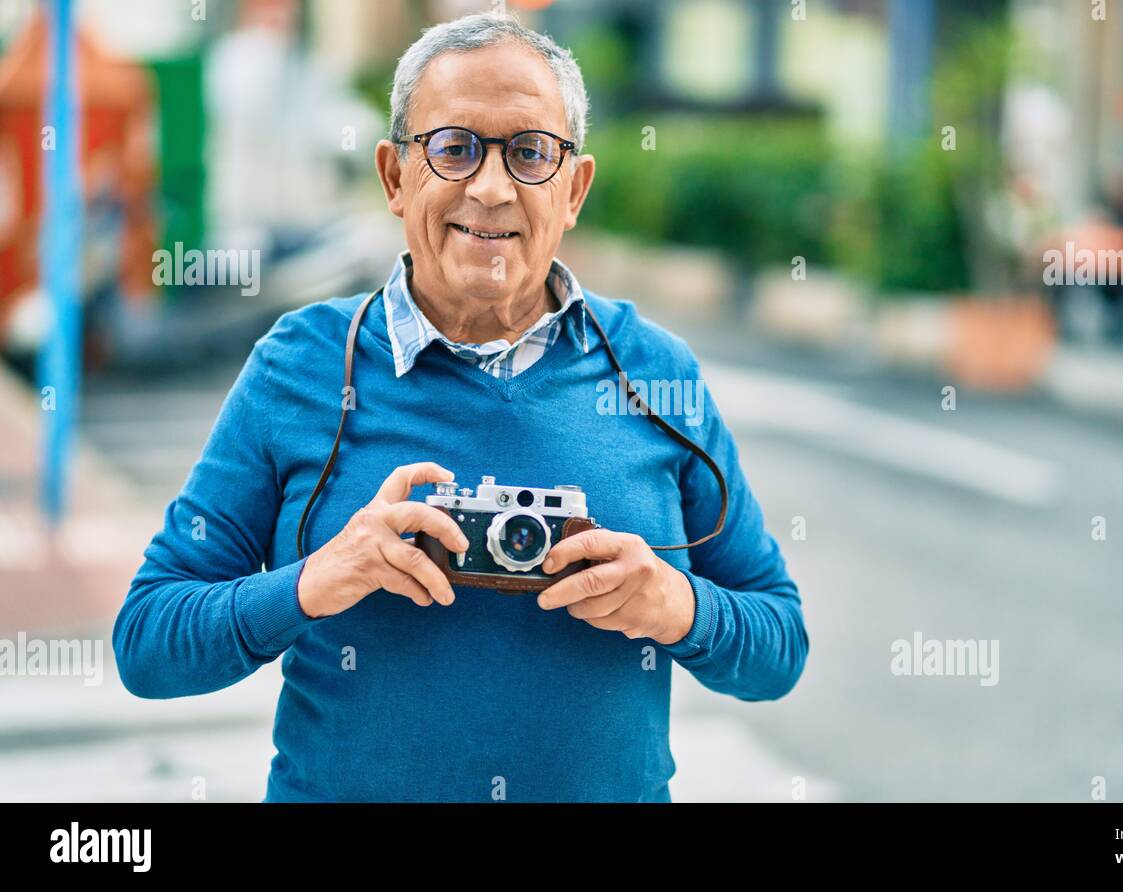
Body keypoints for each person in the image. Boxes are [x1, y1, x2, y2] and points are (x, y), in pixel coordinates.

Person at [113, 12, 808, 802]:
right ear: (394, 178)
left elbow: (779, 645)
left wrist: (677, 606)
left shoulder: (655, 372)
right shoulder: (300, 366)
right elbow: (148, 643)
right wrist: (317, 580)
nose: (491, 186)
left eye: (530, 152)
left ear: (574, 189)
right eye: (453, 147)